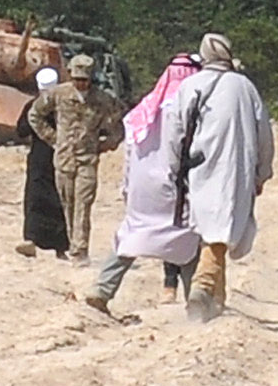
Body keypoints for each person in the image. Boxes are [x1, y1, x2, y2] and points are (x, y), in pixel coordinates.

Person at [161, 30, 276, 317]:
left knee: (212, 229)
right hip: (236, 170)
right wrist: (263, 171)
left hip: (199, 168)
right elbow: (264, 134)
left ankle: (217, 300)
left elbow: (173, 130)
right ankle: (203, 286)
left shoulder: (190, 85)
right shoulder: (245, 87)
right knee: (221, 230)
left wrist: (174, 167)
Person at [84, 51, 205, 317]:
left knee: (132, 237)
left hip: (142, 188)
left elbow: (129, 152)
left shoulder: (145, 108)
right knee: (187, 241)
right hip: (175, 186)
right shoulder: (188, 110)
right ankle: (196, 299)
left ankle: (102, 289)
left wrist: (126, 186)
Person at [37, 52, 114, 258]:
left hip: (87, 159)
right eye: (76, 79)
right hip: (64, 158)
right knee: (67, 202)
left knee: (83, 204)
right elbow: (35, 115)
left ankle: (80, 249)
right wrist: (53, 139)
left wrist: (106, 144)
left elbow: (118, 124)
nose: (80, 84)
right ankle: (73, 242)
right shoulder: (58, 94)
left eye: (84, 80)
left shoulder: (102, 99)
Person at [17, 66, 70, 255]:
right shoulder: (67, 104)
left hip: (40, 158)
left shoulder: (33, 105)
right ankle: (61, 247)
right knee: (61, 200)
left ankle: (32, 238)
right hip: (63, 157)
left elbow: (21, 130)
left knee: (35, 199)